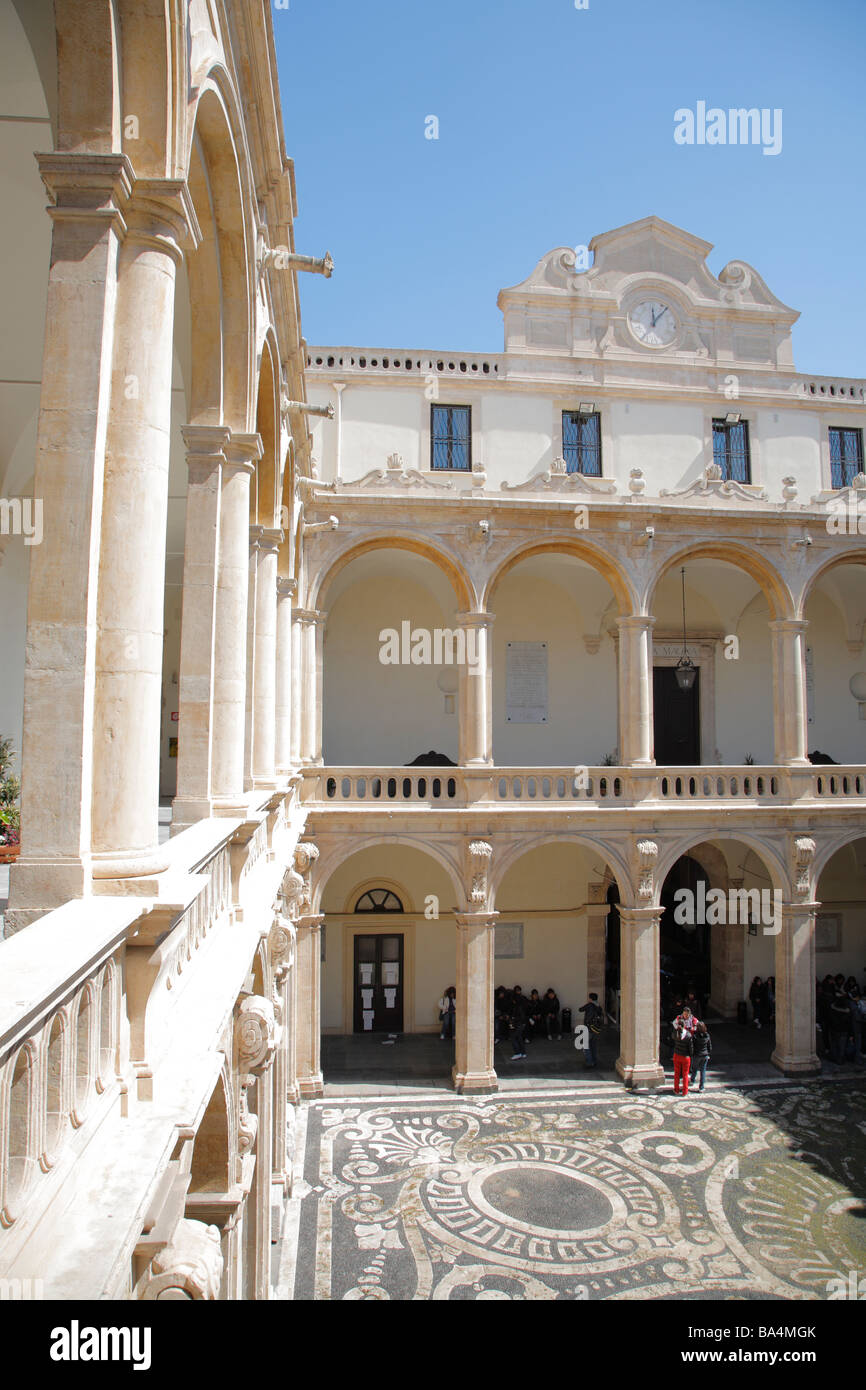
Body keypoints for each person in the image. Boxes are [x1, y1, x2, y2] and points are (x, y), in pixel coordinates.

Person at [579, 992, 605, 1068]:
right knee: (593, 1045)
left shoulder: (589, 1005)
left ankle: (589, 1061)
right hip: (596, 1028)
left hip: (588, 1028)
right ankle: (594, 1060)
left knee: (586, 1045)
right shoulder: (599, 1006)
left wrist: (588, 1003)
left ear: (590, 998)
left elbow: (580, 1009)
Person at [672, 1010, 694, 1095]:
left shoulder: (675, 1034)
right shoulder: (688, 1035)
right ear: (684, 1025)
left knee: (677, 1073)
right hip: (685, 1057)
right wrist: (691, 1055)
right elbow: (691, 1047)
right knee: (685, 1074)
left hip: (677, 1055)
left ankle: (676, 1089)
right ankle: (685, 1091)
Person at [828, 989, 851, 1065]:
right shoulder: (847, 1010)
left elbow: (831, 1018)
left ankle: (834, 1058)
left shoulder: (832, 1008)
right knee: (842, 1045)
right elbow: (848, 1020)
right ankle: (840, 1060)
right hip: (844, 1029)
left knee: (834, 1044)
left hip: (835, 1029)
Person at [691, 1021, 712, 1092]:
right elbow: (709, 1046)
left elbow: (692, 1046)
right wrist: (708, 1053)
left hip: (697, 1055)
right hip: (705, 1055)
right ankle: (701, 1087)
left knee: (694, 1068)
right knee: (703, 1071)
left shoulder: (695, 1036)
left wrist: (692, 1053)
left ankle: (692, 1080)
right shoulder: (707, 1036)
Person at [509, 985, 529, 1059]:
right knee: (519, 1037)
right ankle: (523, 1052)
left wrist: (512, 1021)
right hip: (521, 1023)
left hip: (518, 1023)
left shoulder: (517, 1006)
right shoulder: (522, 1001)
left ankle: (517, 1053)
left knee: (513, 1037)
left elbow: (517, 1016)